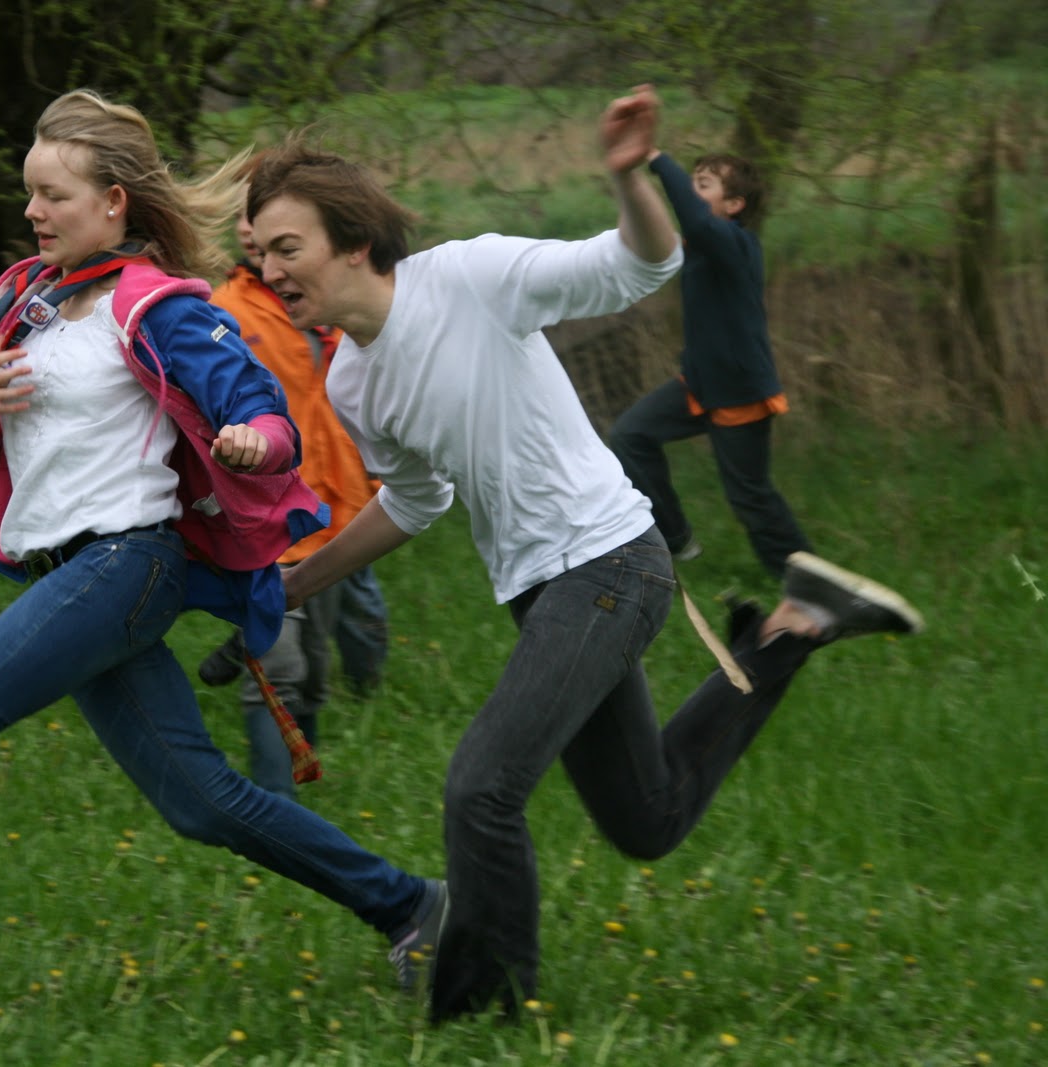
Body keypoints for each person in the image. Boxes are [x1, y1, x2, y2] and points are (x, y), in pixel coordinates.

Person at [244, 85, 924, 1024]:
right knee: (646, 818)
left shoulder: (472, 278)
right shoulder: (352, 377)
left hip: (608, 564)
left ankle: (484, 1015)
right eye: (260, 254)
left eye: (288, 248)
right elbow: (416, 498)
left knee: (481, 787)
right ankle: (789, 630)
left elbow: (638, 263)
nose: (272, 271)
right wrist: (291, 584)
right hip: (541, 590)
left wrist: (631, 176)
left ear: (354, 242)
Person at [0, 89, 447, 1033]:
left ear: (114, 202)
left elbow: (267, 413)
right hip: (65, 570)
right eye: (29, 194)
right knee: (198, 798)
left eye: (54, 195)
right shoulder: (25, 299)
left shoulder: (158, 307)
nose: (33, 212)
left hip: (125, 563)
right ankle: (413, 906)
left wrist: (251, 446)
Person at [198, 205, 391, 799]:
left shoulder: (328, 304)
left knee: (311, 667)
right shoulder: (223, 311)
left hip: (333, 514)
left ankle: (302, 785)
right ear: (244, 231)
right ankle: (273, 810)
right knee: (279, 671)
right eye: (253, 221)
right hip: (262, 517)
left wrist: (376, 483)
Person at [608, 147, 810, 576]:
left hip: (738, 390)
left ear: (733, 205)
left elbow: (696, 220)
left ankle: (802, 577)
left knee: (749, 496)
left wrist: (657, 158)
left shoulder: (736, 243)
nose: (692, 191)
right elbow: (662, 238)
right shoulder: (703, 246)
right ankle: (677, 538)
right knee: (630, 435)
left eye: (703, 185)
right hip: (698, 384)